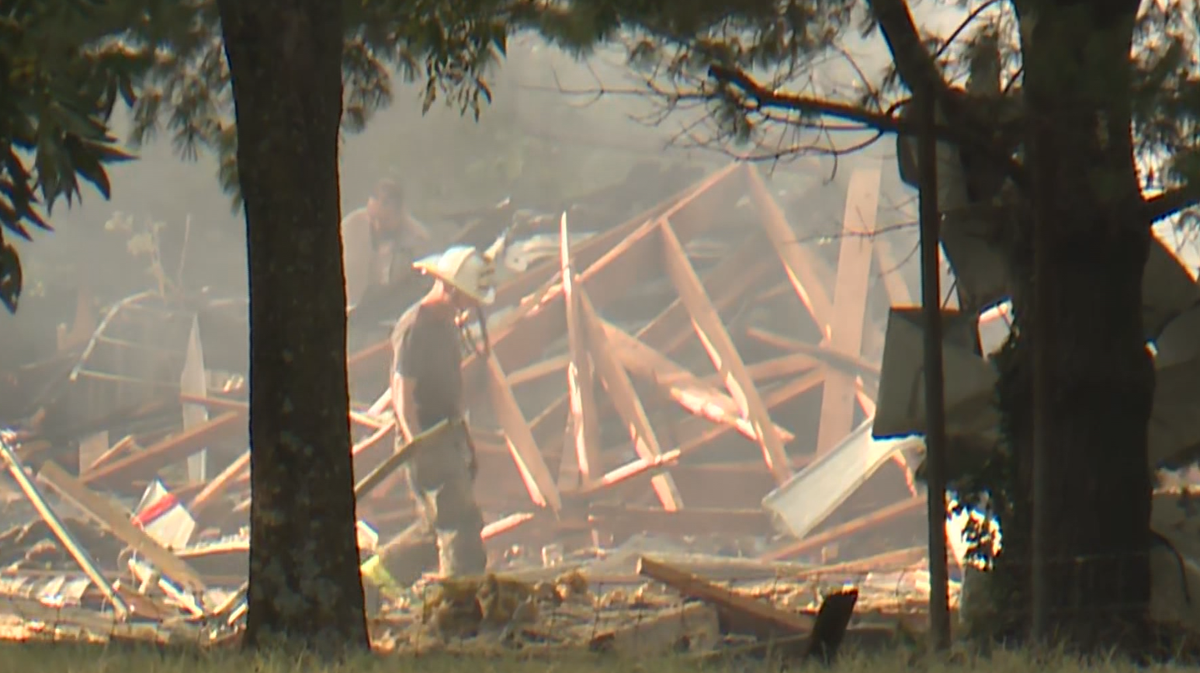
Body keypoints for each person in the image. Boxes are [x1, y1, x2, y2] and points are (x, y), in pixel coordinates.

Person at [360, 243, 498, 600]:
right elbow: (403, 397)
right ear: (449, 288)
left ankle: (375, 578)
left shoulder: (446, 324)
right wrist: (418, 444)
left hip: (447, 433)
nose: (469, 307)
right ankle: (459, 600)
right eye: (466, 298)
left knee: (433, 525)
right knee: (458, 522)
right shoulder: (414, 327)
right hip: (424, 435)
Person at [341, 178, 434, 315]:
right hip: (354, 311)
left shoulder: (418, 240)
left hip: (398, 313)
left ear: (400, 212)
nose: (377, 227)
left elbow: (425, 287)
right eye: (373, 219)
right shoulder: (350, 228)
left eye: (384, 220)